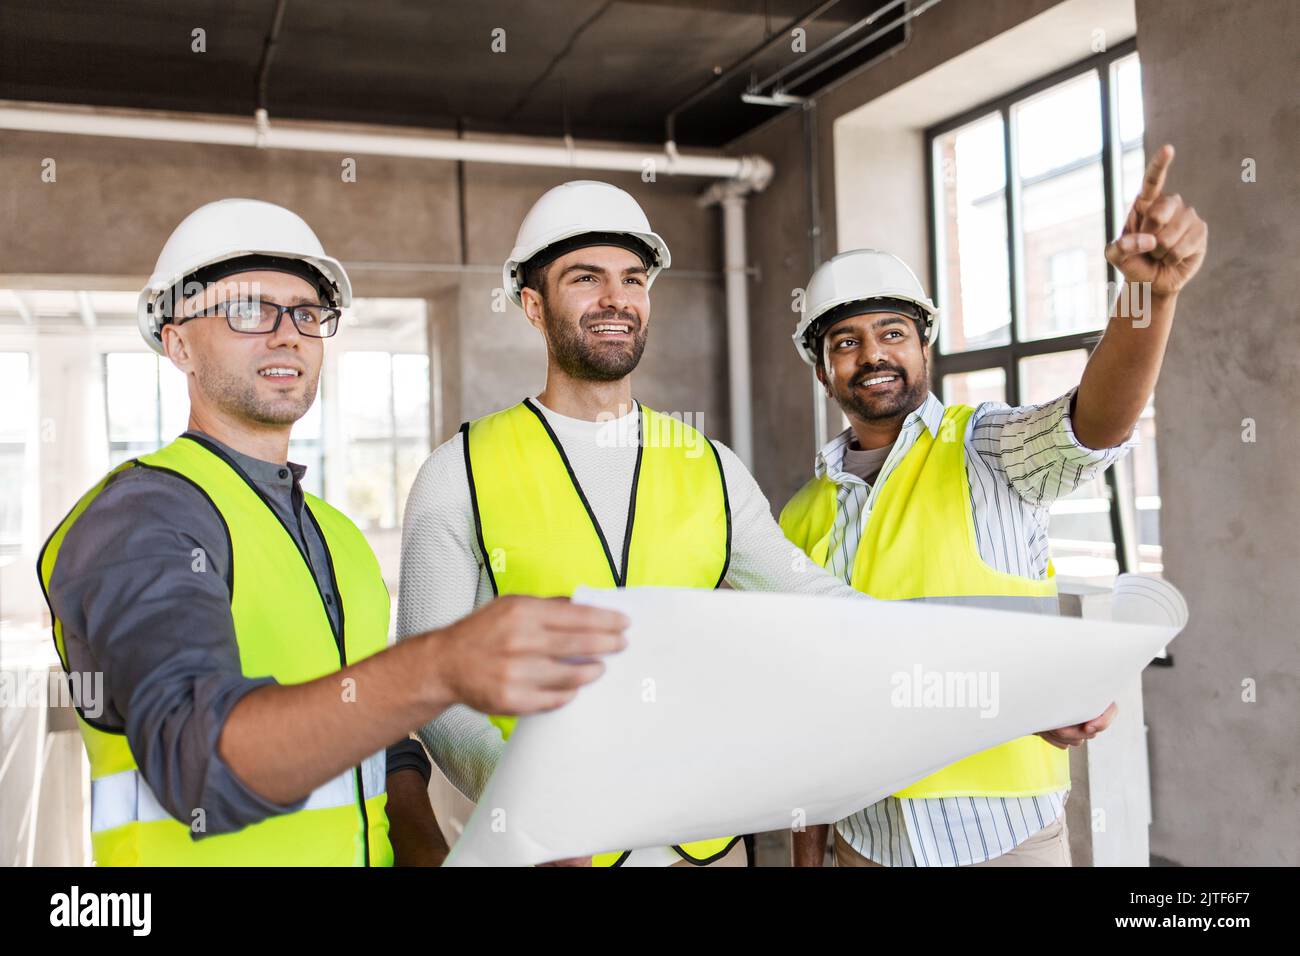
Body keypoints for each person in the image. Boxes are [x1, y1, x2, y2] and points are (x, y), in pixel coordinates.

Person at [38, 198, 628, 866]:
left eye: (307, 314)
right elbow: (196, 762)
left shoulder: (339, 536)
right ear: (178, 344)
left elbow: (382, 746)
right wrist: (438, 666)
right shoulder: (137, 518)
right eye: (247, 309)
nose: (287, 334)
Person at [783, 145, 1206, 867]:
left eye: (892, 333)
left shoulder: (988, 449)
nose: (872, 354)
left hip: (1001, 838)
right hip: (865, 837)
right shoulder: (800, 516)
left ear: (925, 349)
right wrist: (810, 853)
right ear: (824, 372)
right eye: (846, 342)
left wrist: (1149, 299)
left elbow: (1092, 425)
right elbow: (807, 703)